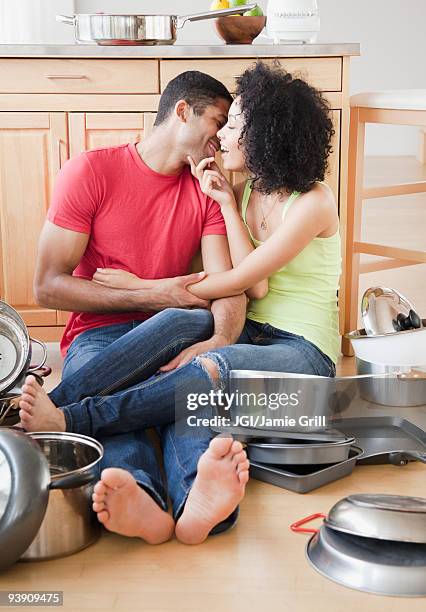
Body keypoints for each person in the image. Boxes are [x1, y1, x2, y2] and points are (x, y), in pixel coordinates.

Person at [19, 61, 341, 545]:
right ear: (184, 112)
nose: (222, 137)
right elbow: (45, 287)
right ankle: (145, 499)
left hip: (234, 336)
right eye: (220, 122)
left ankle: (178, 489)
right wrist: (149, 293)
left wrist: (206, 331)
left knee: (189, 361)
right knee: (181, 374)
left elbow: (238, 284)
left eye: (234, 126)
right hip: (104, 330)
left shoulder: (217, 188)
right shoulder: (93, 169)